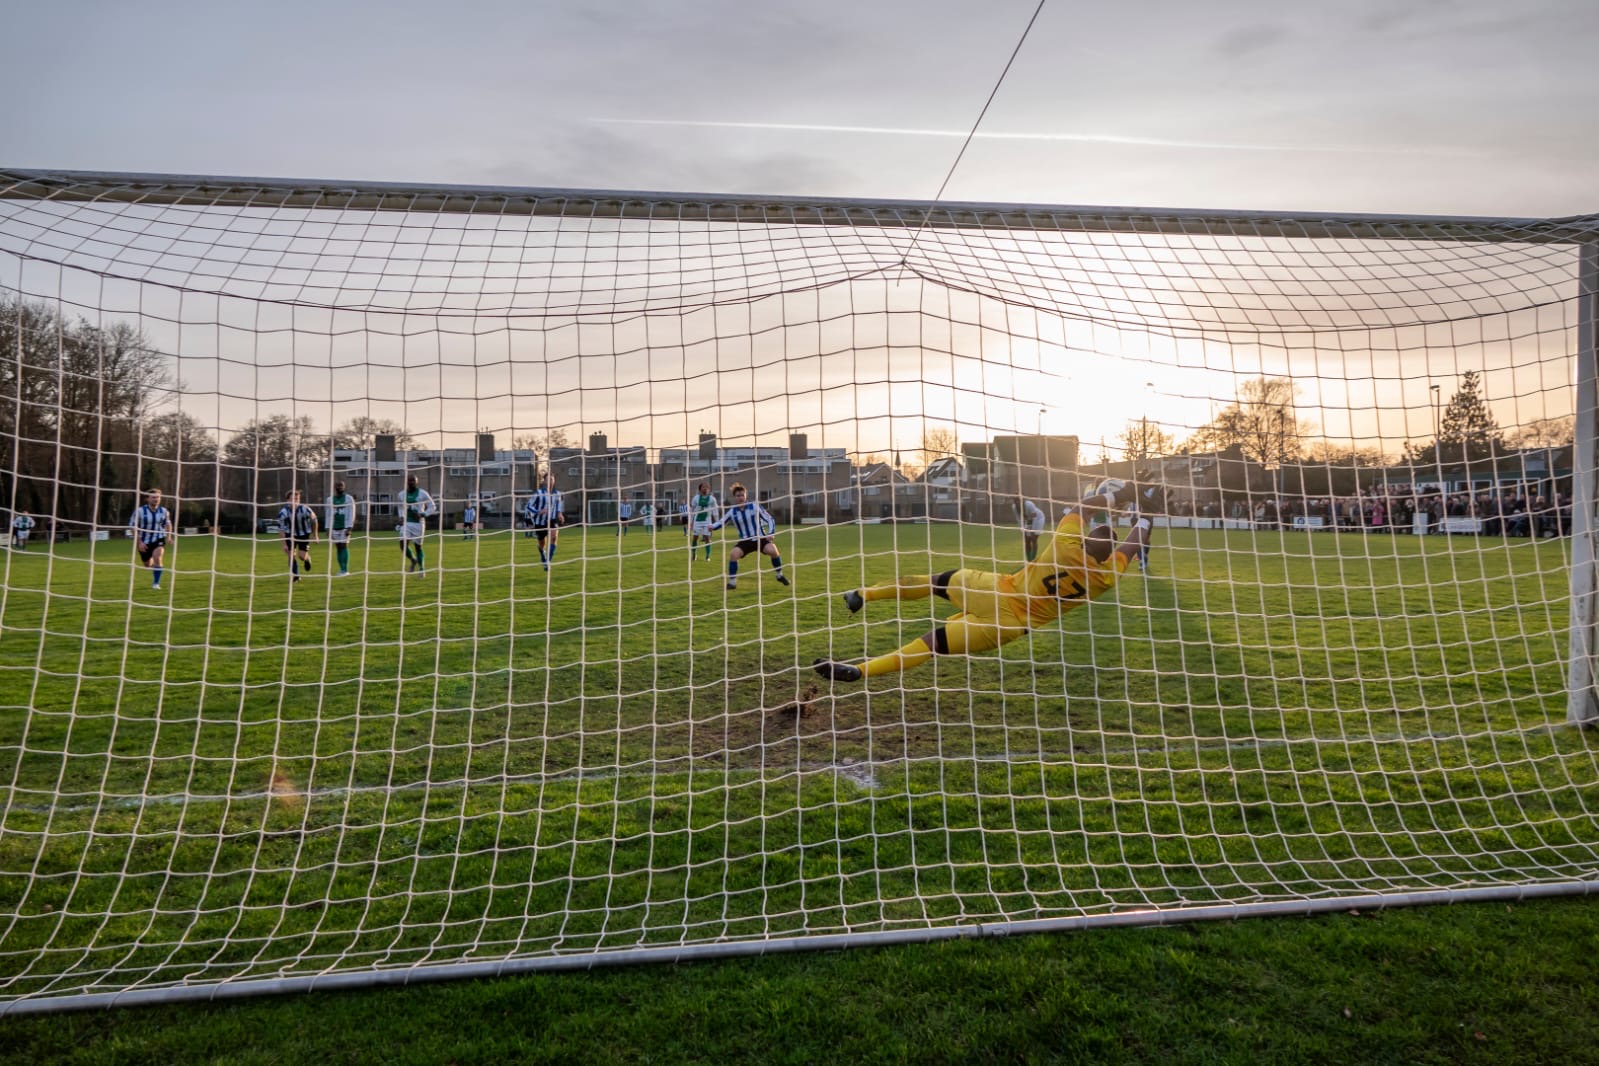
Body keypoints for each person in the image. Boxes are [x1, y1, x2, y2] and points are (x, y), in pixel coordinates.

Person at [813, 481, 1161, 683]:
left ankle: (864, 594)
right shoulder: (1106, 577)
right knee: (930, 643)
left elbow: (1081, 509)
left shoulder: (1065, 544)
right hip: (1009, 625)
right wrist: (1146, 515)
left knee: (933, 582)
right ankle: (859, 671)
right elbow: (1132, 545)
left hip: (993, 588)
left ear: (1084, 539)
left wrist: (1124, 493)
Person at [708, 482, 788, 591]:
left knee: (773, 550)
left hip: (760, 538)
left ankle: (779, 575)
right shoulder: (732, 511)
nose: (740, 497)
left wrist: (771, 533)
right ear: (734, 497)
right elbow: (721, 522)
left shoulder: (754, 506)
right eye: (738, 495)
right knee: (733, 554)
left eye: (742, 495)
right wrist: (712, 526)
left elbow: (769, 519)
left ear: (745, 496)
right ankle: (732, 583)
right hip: (745, 541)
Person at [129, 487, 173, 590]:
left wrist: (169, 536)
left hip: (159, 538)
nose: (156, 499)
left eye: (158, 497)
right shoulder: (140, 511)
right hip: (144, 541)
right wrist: (139, 542)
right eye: (153, 497)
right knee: (147, 564)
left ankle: (156, 583)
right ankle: (155, 567)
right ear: (147, 499)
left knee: (158, 557)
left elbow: (168, 524)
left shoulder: (164, 511)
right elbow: (132, 526)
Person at [278, 489, 319, 582]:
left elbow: (315, 520)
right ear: (288, 500)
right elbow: (281, 529)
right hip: (290, 535)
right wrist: (284, 544)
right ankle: (296, 576)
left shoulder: (305, 509)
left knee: (301, 556)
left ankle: (307, 558)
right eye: (293, 499)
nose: (296, 501)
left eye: (297, 499)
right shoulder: (283, 512)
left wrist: (315, 535)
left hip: (304, 534)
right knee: (291, 554)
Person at [527, 472, 564, 571]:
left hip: (552, 520)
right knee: (542, 543)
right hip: (540, 522)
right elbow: (528, 506)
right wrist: (538, 511)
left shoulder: (557, 494)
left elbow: (558, 506)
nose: (550, 481)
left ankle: (548, 562)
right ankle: (543, 555)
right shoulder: (538, 493)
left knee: (554, 537)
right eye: (548, 479)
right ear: (545, 481)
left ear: (554, 481)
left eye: (552, 479)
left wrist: (559, 514)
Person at [400, 475, 435, 573]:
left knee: (418, 547)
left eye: (413, 481)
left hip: (419, 524)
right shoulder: (401, 494)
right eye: (409, 481)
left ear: (417, 482)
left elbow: (432, 506)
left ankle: (421, 568)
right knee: (403, 545)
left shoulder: (422, 493)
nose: (411, 482)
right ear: (406, 482)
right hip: (407, 523)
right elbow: (400, 506)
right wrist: (401, 516)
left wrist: (423, 514)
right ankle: (413, 560)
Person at [326, 481, 355, 576]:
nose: (340, 487)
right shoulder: (330, 499)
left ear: (344, 487)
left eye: (341, 486)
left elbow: (352, 513)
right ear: (335, 487)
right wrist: (327, 528)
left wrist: (350, 527)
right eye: (338, 486)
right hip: (334, 527)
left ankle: (345, 570)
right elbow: (328, 514)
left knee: (344, 546)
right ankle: (341, 569)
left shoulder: (349, 498)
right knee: (338, 547)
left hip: (345, 527)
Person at [688, 481, 720, 562]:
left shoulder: (712, 499)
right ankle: (694, 554)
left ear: (709, 489)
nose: (705, 488)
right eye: (703, 487)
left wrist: (717, 523)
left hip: (707, 521)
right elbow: (692, 511)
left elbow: (715, 511)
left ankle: (707, 556)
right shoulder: (696, 498)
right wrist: (690, 522)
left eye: (707, 487)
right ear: (700, 489)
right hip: (697, 521)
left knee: (707, 538)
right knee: (695, 538)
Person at [1018, 497, 1046, 562]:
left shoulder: (1029, 504)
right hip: (1029, 521)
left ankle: (1033, 560)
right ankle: (1029, 560)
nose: (1017, 502)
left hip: (1039, 518)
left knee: (1034, 539)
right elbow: (1019, 519)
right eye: (1015, 501)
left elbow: (1035, 517)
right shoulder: (1014, 507)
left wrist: (1033, 531)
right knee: (1027, 540)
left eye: (1018, 500)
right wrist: (1023, 529)